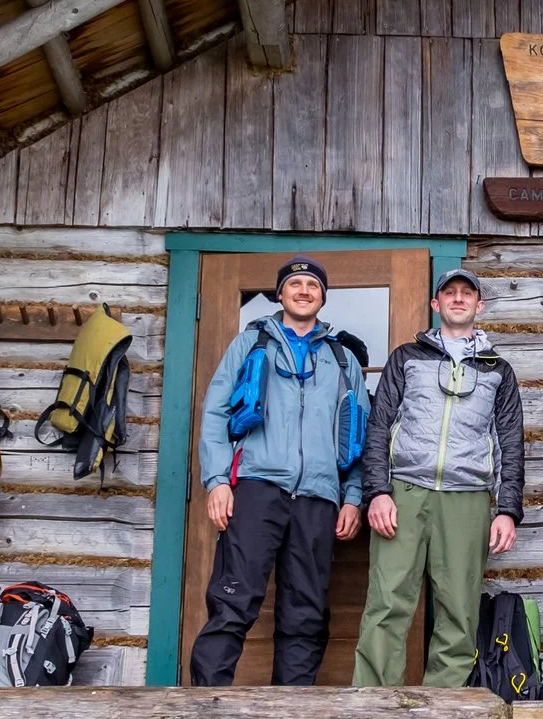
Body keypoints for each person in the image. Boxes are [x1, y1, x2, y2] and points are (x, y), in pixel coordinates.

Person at [193, 256, 368, 685]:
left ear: (323, 297)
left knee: (305, 611)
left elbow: (358, 433)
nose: (304, 291)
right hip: (257, 486)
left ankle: (293, 707)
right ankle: (205, 703)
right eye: (295, 284)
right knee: (233, 599)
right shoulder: (250, 344)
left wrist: (352, 497)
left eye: (313, 285)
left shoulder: (343, 358)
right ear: (280, 293)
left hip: (319, 497)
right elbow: (215, 413)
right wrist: (218, 481)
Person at [353, 269, 525, 687]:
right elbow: (378, 427)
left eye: (467, 293)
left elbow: (510, 441)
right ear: (436, 303)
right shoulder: (406, 358)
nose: (458, 298)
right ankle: (373, 704)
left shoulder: (498, 370)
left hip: (468, 498)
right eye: (450, 292)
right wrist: (378, 492)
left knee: (458, 609)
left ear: (479, 305)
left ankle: (443, 707)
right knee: (387, 601)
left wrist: (507, 510)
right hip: (404, 493)